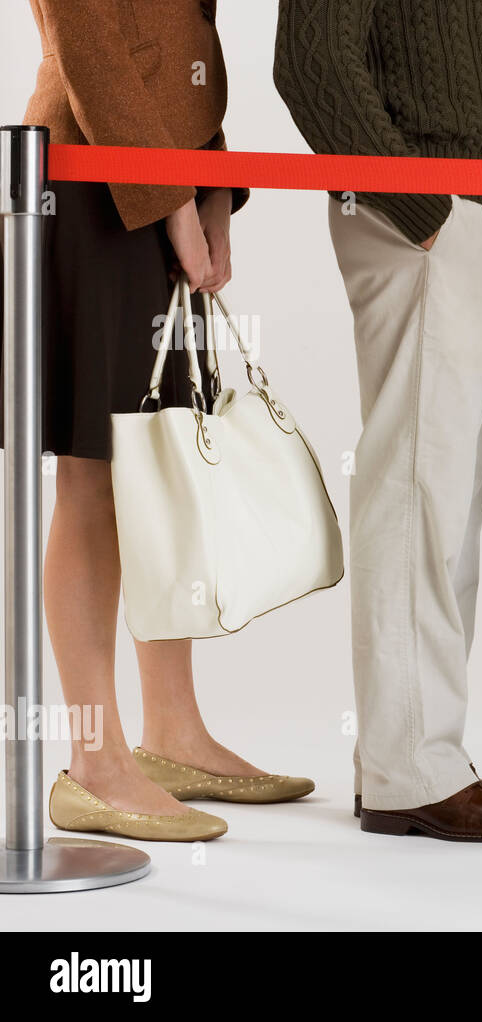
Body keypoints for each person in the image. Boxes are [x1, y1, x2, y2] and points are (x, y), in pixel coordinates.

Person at [12, 0, 313, 844]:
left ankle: (172, 732)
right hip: (89, 180)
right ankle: (95, 763)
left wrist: (210, 183)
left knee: (162, 468)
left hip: (156, 178)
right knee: (95, 472)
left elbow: (186, 39)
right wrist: (171, 197)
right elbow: (90, 37)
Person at [275, 0, 482, 842]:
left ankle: (424, 756)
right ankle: (409, 771)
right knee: (416, 492)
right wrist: (425, 209)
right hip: (420, 225)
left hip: (465, 220)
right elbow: (310, 66)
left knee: (448, 503)